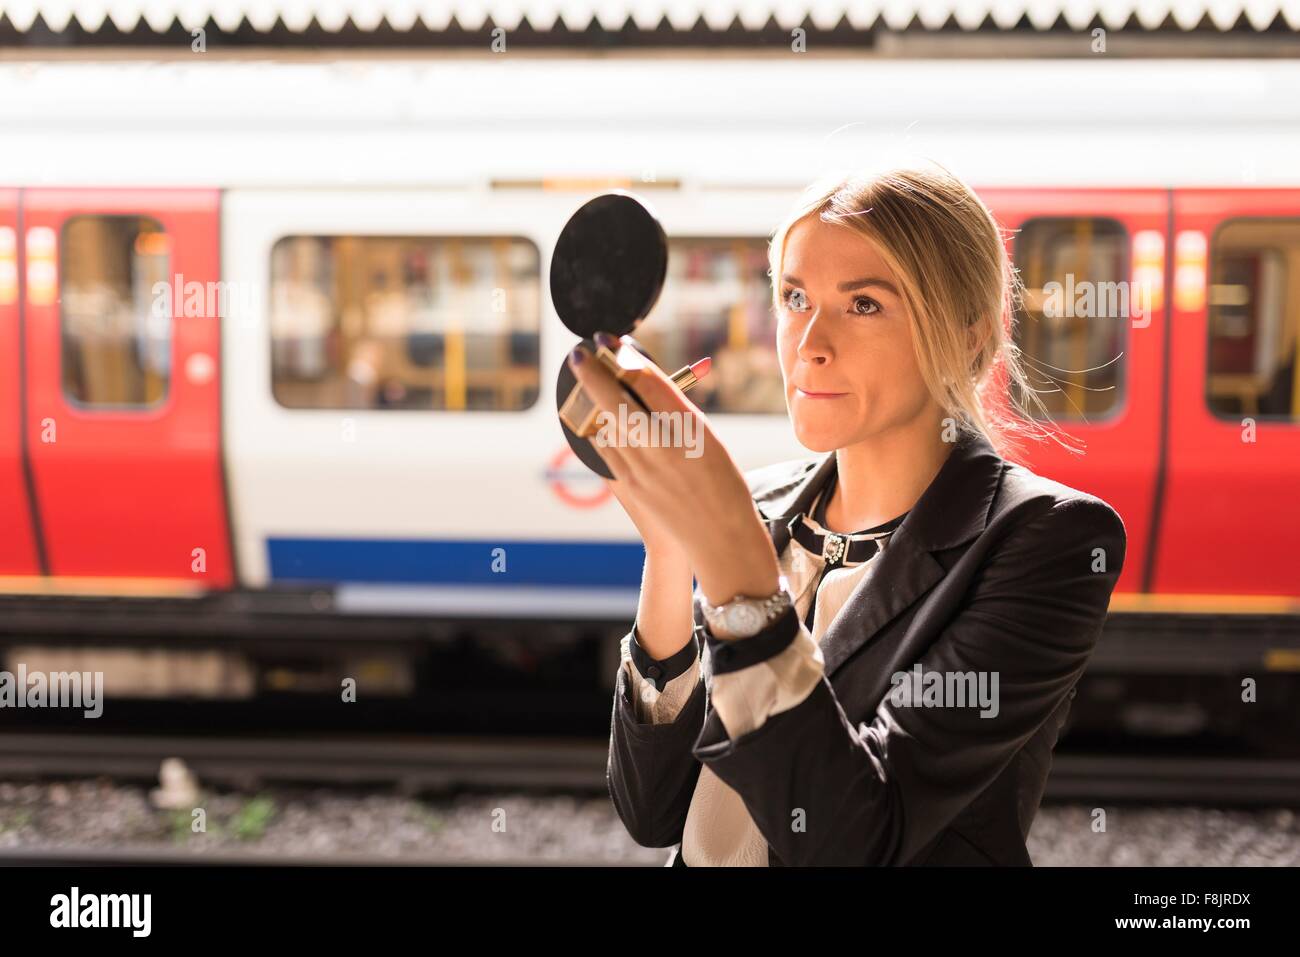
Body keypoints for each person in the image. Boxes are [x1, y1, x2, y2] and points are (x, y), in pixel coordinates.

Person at [569, 166, 1128, 867]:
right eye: (795, 297)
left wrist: (733, 559)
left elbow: (856, 839)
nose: (809, 343)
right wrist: (670, 546)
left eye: (863, 304)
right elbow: (653, 811)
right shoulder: (760, 506)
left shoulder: (1048, 539)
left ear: (969, 332)